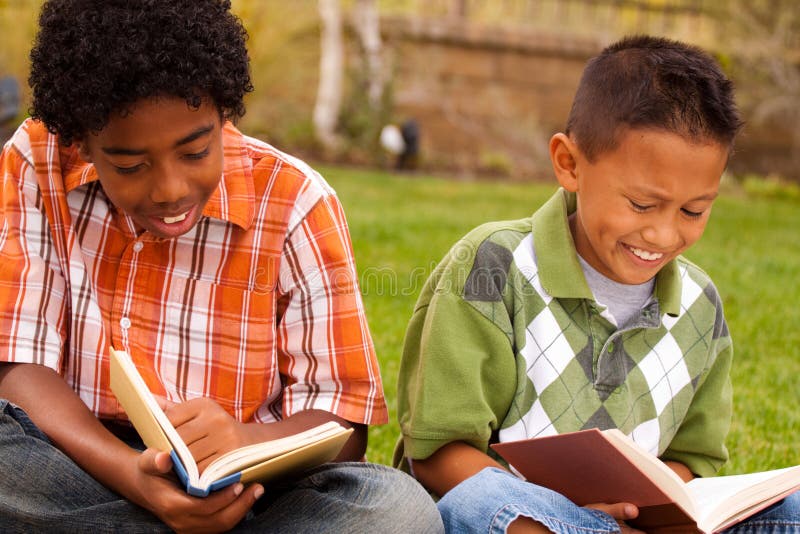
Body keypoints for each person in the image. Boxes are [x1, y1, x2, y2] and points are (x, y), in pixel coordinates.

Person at [0, 1, 443, 532]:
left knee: (396, 511)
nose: (169, 189)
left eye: (194, 150)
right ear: (81, 140)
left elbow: (344, 430)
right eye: (129, 165)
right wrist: (134, 478)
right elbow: (17, 366)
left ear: (223, 112)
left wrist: (243, 440)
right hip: (84, 466)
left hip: (251, 492)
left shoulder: (296, 202)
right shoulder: (36, 160)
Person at [394, 35, 800, 533]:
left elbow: (691, 460)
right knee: (485, 500)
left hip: (638, 525)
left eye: (694, 210)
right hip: (510, 519)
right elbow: (437, 456)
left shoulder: (699, 305)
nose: (664, 234)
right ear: (569, 164)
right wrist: (572, 520)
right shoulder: (493, 267)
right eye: (642, 205)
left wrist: (640, 513)